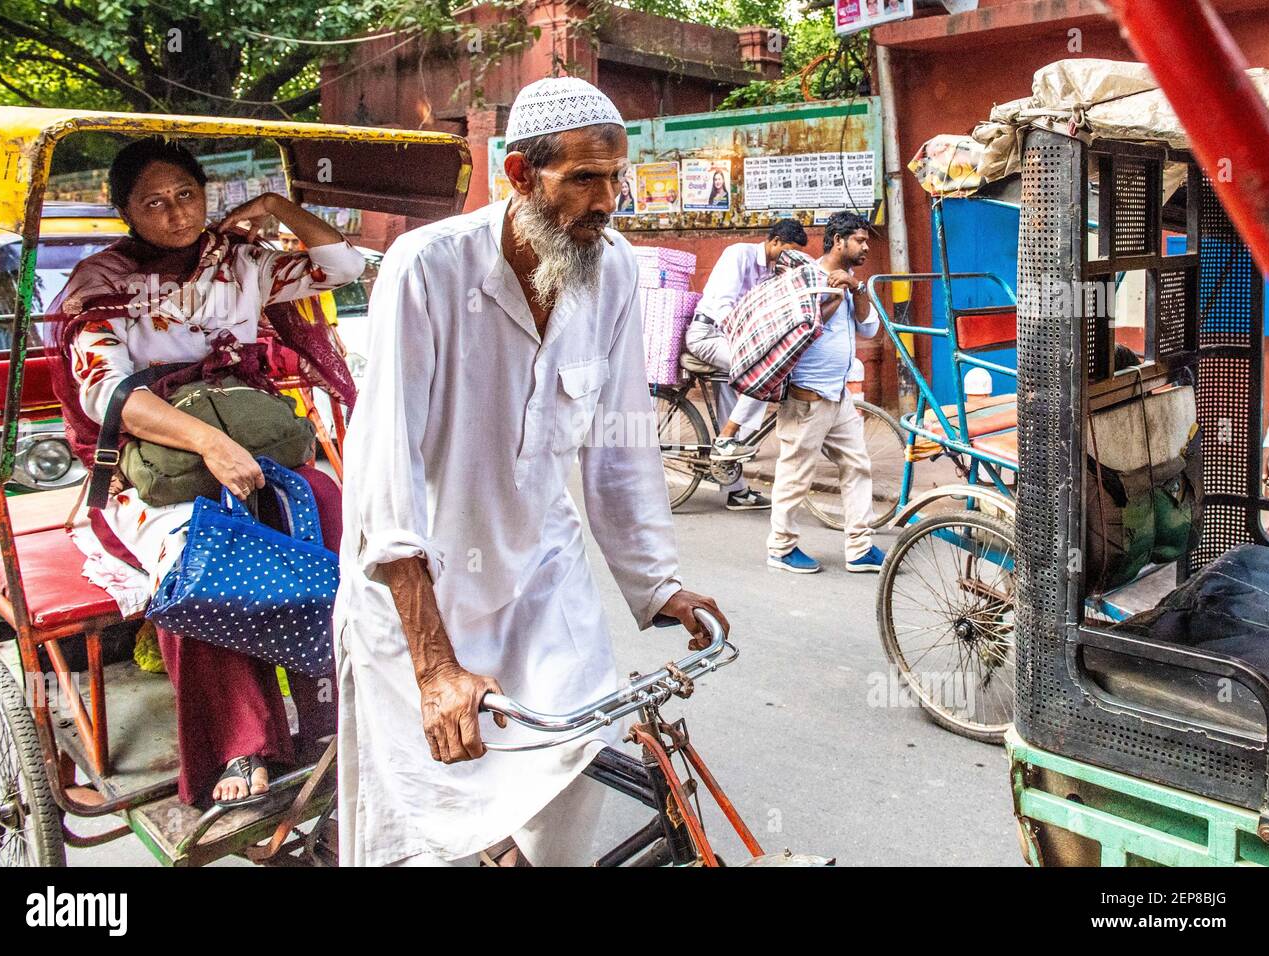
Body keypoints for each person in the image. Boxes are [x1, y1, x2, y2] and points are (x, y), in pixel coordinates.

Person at [334, 76, 727, 867]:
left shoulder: (611, 269)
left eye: (616, 177)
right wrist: (436, 666)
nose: (609, 200)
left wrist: (657, 586)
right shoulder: (428, 267)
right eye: (584, 179)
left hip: (543, 576)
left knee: (577, 759)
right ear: (516, 176)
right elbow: (385, 474)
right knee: (429, 822)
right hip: (422, 589)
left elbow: (619, 445)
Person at [47, 137, 365, 805]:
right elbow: (111, 397)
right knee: (198, 556)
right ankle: (238, 744)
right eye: (154, 204)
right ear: (127, 213)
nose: (174, 214)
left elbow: (342, 264)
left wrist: (277, 205)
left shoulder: (242, 259)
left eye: (186, 196)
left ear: (206, 195)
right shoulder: (98, 285)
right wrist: (209, 447)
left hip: (251, 438)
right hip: (155, 463)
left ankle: (340, 708)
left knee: (331, 515)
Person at [766, 212, 886, 574]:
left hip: (838, 396)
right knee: (796, 473)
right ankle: (781, 548)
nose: (865, 247)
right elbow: (807, 324)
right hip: (807, 398)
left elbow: (867, 328)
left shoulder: (851, 281)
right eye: (860, 241)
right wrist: (837, 289)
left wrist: (856, 288)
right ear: (838, 241)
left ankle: (860, 547)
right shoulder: (804, 276)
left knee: (856, 465)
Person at [686, 218, 809, 510]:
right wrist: (751, 344)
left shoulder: (776, 271)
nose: (790, 260)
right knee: (762, 372)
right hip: (708, 335)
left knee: (739, 398)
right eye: (787, 252)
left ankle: (735, 489)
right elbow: (724, 307)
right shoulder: (738, 255)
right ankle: (727, 439)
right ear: (775, 241)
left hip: (734, 343)